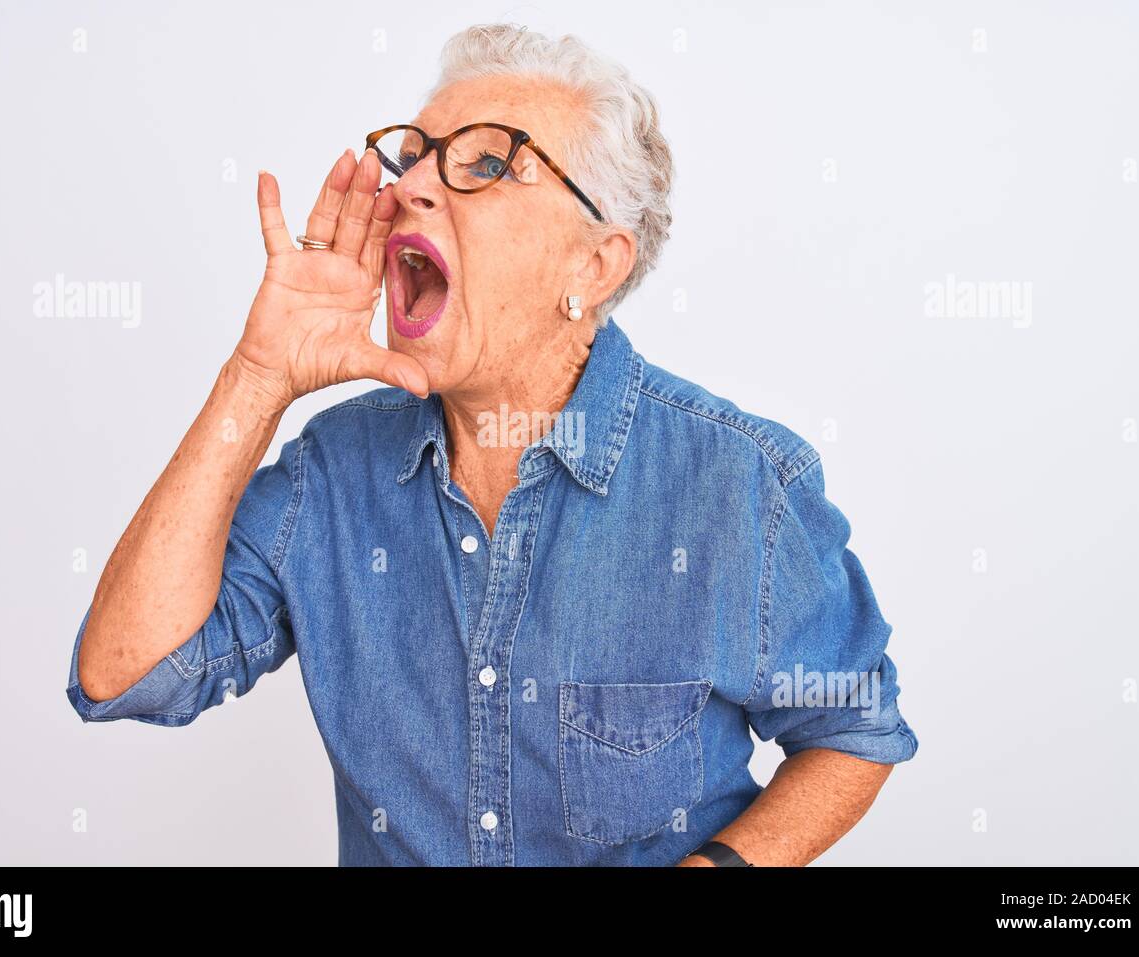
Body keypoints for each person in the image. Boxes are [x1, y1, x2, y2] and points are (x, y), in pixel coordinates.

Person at [67, 22, 918, 866]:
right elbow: (126, 673)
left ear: (592, 267)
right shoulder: (331, 475)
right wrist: (258, 377)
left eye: (484, 163)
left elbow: (853, 726)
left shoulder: (739, 484)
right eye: (415, 156)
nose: (408, 188)